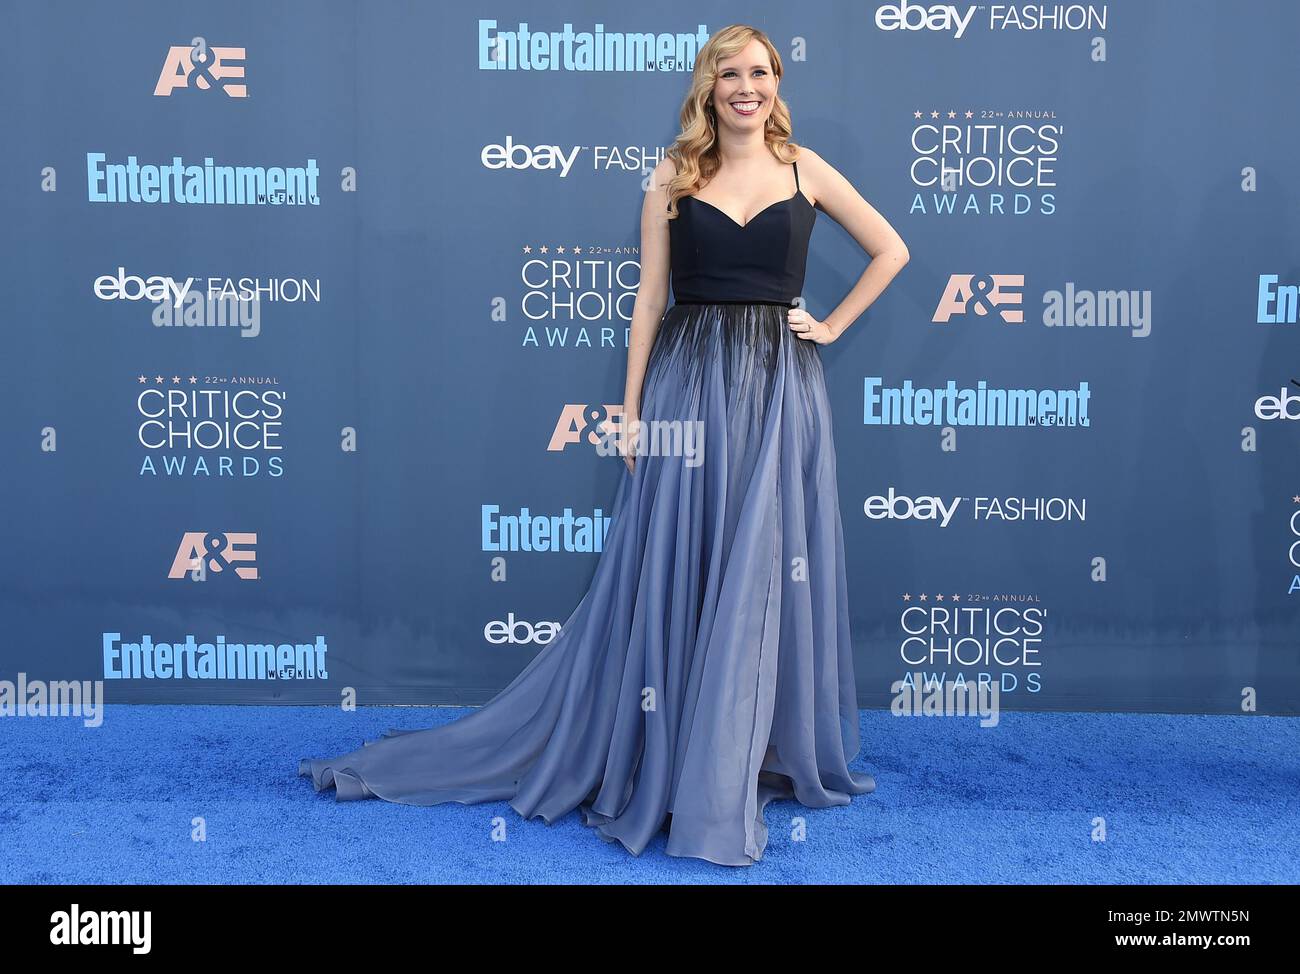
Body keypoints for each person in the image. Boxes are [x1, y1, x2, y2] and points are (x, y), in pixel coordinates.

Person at [299, 23, 910, 867]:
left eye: (761, 72)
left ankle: (739, 758)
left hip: (778, 390)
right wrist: (629, 411)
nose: (747, 87)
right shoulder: (673, 177)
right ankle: (682, 756)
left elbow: (892, 248)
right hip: (688, 386)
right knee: (683, 566)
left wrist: (830, 324)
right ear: (708, 86)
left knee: (763, 571)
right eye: (730, 73)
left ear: (778, 82)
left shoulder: (806, 170)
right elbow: (649, 303)